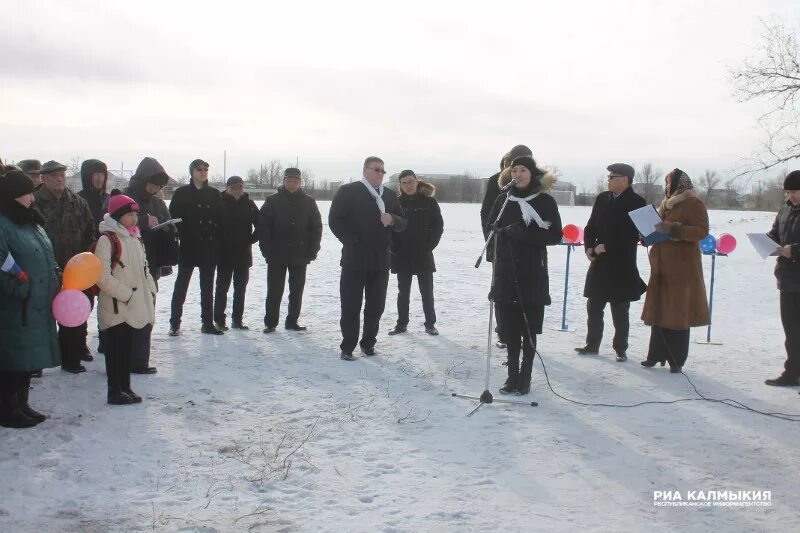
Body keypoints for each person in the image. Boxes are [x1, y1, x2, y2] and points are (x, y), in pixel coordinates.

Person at [486, 156, 562, 395]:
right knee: (509, 329)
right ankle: (511, 376)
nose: (517, 174)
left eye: (523, 170)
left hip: (532, 271)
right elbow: (492, 225)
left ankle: (525, 376)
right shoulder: (504, 198)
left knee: (528, 329)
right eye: (514, 170)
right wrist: (505, 231)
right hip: (506, 271)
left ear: (532, 173)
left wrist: (524, 235)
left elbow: (555, 235)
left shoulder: (544, 201)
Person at [329, 156, 407, 360]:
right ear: (365, 170)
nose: (380, 174)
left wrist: (392, 219)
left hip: (380, 261)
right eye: (376, 170)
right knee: (351, 305)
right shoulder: (349, 191)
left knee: (375, 306)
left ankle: (368, 343)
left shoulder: (389, 196)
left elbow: (403, 223)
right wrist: (352, 242)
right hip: (354, 260)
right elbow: (335, 220)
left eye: (383, 171)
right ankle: (348, 347)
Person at [0, 168, 60, 427]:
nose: (32, 198)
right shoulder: (3, 224)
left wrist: (55, 275)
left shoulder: (29, 220)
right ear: (12, 196)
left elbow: (46, 253)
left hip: (35, 304)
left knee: (26, 360)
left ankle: (21, 403)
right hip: (15, 307)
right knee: (12, 360)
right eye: (26, 194)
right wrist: (22, 290)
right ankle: (7, 409)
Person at [576, 163, 647, 362]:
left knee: (620, 309)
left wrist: (606, 247)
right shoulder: (602, 199)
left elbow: (633, 236)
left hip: (622, 264)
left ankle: (620, 348)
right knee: (594, 306)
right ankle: (592, 344)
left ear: (625, 179)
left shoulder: (637, 202)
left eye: (612, 177)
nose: (608, 180)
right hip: (600, 262)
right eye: (608, 177)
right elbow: (591, 226)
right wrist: (589, 247)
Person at [641, 169, 709, 372]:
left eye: (669, 182)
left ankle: (676, 360)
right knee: (660, 311)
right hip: (661, 266)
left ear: (680, 184)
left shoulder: (694, 203)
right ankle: (655, 355)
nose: (666, 186)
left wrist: (673, 229)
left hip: (682, 268)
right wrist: (647, 235)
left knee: (678, 314)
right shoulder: (666, 204)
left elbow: (701, 231)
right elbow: (658, 229)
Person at [95, 192, 157, 404]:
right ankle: (115, 390)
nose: (134, 218)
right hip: (116, 305)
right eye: (129, 214)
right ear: (118, 215)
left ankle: (125, 387)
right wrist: (125, 294)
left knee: (127, 349)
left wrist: (150, 288)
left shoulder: (134, 237)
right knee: (116, 350)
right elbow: (101, 276)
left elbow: (144, 267)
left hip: (133, 302)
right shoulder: (107, 239)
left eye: (135, 214)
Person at [34, 160, 95, 373]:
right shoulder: (34, 203)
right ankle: (36, 363)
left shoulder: (77, 202)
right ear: (44, 179)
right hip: (44, 270)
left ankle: (71, 358)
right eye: (54, 176)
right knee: (41, 318)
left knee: (74, 316)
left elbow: (90, 232)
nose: (60, 179)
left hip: (74, 270)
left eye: (62, 174)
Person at [480, 144, 533, 349]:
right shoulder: (497, 181)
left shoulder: (535, 181)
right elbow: (487, 213)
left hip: (527, 248)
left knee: (525, 289)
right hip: (501, 244)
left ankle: (523, 331)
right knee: (501, 289)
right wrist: (491, 238)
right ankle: (503, 331)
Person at [123, 157, 172, 374]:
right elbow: (114, 224)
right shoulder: (124, 197)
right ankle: (121, 355)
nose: (154, 188)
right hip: (125, 265)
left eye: (158, 186)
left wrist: (168, 229)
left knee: (147, 310)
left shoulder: (158, 201)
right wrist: (143, 221)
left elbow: (166, 220)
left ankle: (140, 359)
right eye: (152, 183)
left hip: (150, 264)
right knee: (126, 312)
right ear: (142, 179)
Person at [259, 168, 322, 333]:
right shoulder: (272, 201)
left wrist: (313, 250)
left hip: (300, 254)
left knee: (296, 291)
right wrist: (266, 250)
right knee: (274, 290)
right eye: (289, 180)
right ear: (284, 181)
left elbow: (316, 227)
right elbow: (264, 228)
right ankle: (271, 323)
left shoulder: (309, 201)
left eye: (295, 180)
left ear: (300, 182)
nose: (292, 183)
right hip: (276, 254)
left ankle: (292, 321)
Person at [168, 159, 225, 335]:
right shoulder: (182, 193)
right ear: (192, 172)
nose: (203, 172)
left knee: (207, 289)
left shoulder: (214, 193)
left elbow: (221, 219)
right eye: (199, 169)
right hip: (189, 246)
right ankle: (175, 323)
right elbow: (174, 218)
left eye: (206, 169)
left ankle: (207, 323)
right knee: (181, 287)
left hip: (209, 247)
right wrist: (184, 233)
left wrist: (217, 240)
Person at [389, 170, 443, 336]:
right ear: (400, 186)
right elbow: (389, 229)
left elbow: (438, 227)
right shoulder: (395, 203)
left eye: (411, 181)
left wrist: (428, 247)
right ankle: (401, 324)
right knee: (403, 292)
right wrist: (394, 248)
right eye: (404, 183)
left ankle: (430, 324)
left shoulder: (429, 202)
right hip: (401, 255)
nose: (409, 185)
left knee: (427, 292)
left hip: (423, 254)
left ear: (417, 182)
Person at [764, 170, 800, 387]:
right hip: (787, 280)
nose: (791, 196)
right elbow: (775, 233)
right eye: (788, 192)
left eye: (795, 191)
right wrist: (767, 242)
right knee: (792, 331)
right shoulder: (785, 209)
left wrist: (792, 251)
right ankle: (792, 373)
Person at [214, 176, 260, 330]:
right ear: (227, 188)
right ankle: (219, 320)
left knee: (240, 289)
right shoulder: (219, 202)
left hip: (243, 254)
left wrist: (251, 239)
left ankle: (237, 319)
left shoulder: (249, 204)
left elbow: (260, 224)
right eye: (233, 187)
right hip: (224, 254)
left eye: (239, 187)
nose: (237, 190)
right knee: (222, 288)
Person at [77, 159, 109, 233]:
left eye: (102, 174)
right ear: (87, 177)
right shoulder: (77, 200)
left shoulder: (109, 199)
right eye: (96, 175)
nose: (100, 179)